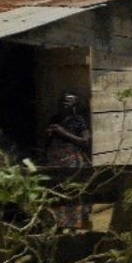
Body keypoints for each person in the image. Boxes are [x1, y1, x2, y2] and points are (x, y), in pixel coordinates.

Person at [45, 93, 92, 229]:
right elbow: (46, 143)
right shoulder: (54, 120)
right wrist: (49, 134)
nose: (65, 104)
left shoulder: (79, 121)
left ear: (75, 106)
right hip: (55, 161)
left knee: (73, 191)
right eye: (64, 101)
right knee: (57, 191)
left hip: (72, 161)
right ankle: (59, 225)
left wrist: (62, 132)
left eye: (70, 102)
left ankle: (75, 226)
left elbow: (85, 142)